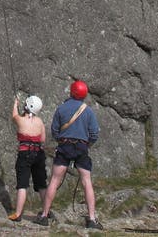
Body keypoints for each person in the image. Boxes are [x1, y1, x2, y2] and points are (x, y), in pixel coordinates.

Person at [35, 80, 102, 230]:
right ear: (84, 94)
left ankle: (44, 215)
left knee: (54, 180)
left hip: (64, 146)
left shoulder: (61, 109)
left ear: (72, 92)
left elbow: (55, 131)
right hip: (81, 147)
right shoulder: (88, 111)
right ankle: (91, 219)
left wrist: (62, 140)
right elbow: (94, 134)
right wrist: (87, 144)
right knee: (86, 181)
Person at [8, 94, 47, 222]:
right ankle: (46, 212)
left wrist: (15, 104)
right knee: (41, 184)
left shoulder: (20, 120)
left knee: (22, 184)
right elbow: (42, 139)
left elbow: (14, 116)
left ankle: (18, 214)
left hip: (25, 154)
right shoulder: (40, 121)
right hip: (38, 154)